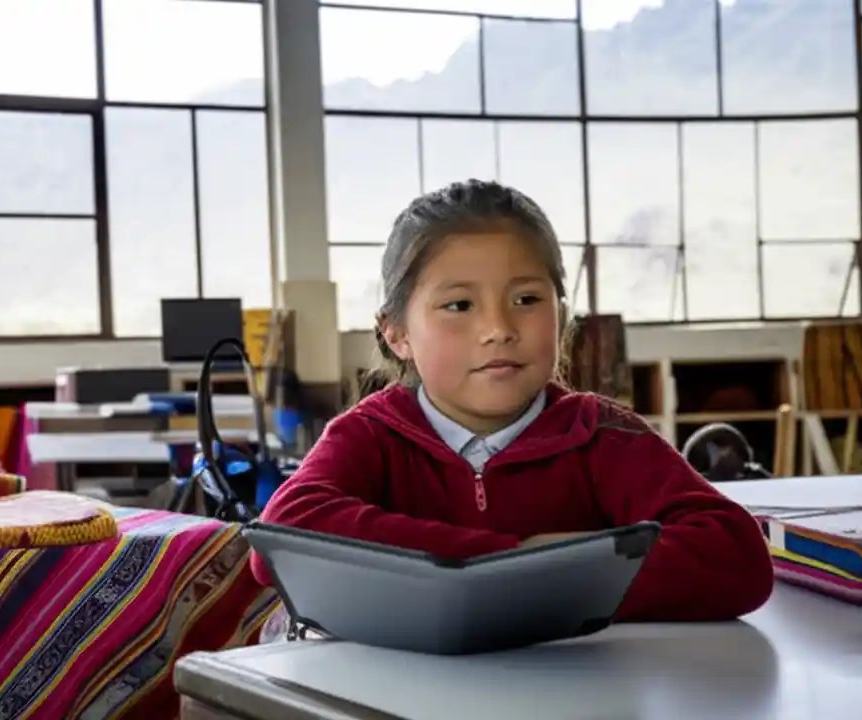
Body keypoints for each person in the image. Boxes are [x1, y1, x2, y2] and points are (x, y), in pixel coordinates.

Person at [250, 180, 772, 621]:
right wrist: (527, 561)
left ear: (560, 314)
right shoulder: (370, 435)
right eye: (458, 305)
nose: (498, 329)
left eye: (526, 300)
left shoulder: (601, 435)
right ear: (396, 334)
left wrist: (494, 577)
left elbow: (735, 555)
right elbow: (284, 536)